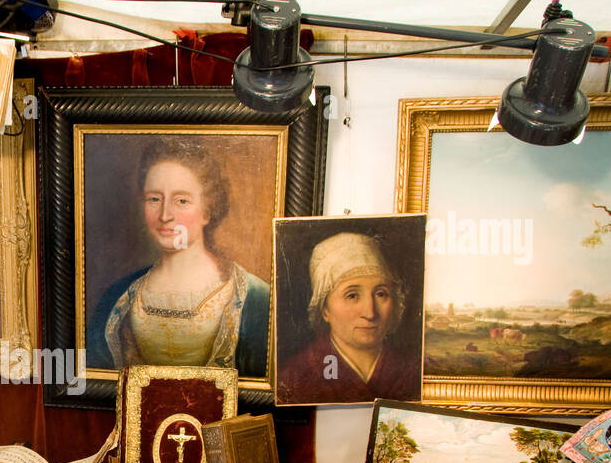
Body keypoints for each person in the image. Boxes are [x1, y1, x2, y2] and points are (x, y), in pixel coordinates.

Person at [87, 139, 270, 376]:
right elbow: (96, 380)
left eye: (181, 201)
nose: (165, 215)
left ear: (207, 210)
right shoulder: (116, 298)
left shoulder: (257, 299)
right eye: (154, 199)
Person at [275, 231, 419, 404]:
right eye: (352, 296)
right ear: (325, 309)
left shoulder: (412, 370)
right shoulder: (295, 376)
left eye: (381, 294)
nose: (370, 313)